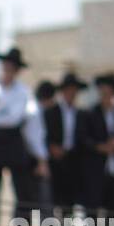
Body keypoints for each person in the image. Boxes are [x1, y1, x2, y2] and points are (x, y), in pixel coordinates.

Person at [0, 47, 47, 226]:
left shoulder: (23, 92)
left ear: (16, 70)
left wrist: (40, 155)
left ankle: (22, 225)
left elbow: (17, 118)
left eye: (11, 67)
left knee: (21, 187)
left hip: (14, 139)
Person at [80, 73, 114, 219]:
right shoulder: (90, 113)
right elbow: (83, 139)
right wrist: (100, 147)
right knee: (93, 209)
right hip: (96, 167)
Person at [43, 72, 86, 217]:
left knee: (70, 197)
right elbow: (44, 134)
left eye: (74, 90)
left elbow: (82, 137)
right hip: (55, 159)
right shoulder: (51, 112)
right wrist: (51, 147)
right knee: (54, 195)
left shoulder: (81, 114)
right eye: (68, 90)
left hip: (73, 159)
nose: (71, 93)